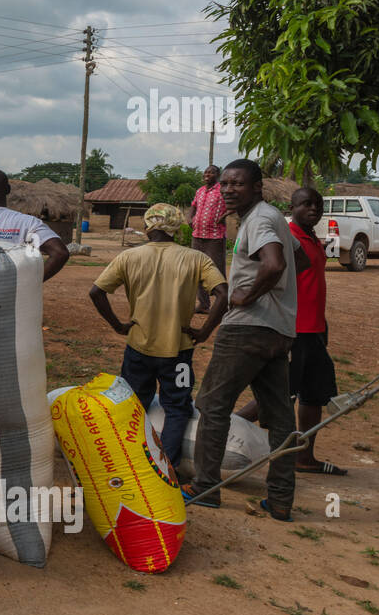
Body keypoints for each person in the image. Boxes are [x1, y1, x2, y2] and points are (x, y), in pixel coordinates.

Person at [180, 158, 303, 521]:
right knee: (279, 416)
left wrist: (246, 297)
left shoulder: (261, 218)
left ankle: (205, 488)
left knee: (212, 405)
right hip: (279, 331)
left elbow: (274, 264)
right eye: (226, 185)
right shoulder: (272, 218)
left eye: (238, 184)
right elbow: (299, 263)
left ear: (257, 188)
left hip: (249, 328)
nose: (230, 190)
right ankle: (281, 500)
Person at [88, 203, 228, 468]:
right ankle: (167, 467)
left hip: (137, 349)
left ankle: (131, 463)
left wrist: (118, 325)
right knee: (178, 407)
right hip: (179, 352)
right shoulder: (197, 258)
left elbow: (96, 292)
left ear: (147, 225)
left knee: (133, 406)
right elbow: (222, 294)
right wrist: (205, 330)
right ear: (177, 227)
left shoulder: (129, 257)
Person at [236, 188, 346, 476]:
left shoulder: (313, 239)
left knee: (314, 395)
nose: (313, 209)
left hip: (315, 330)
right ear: (291, 206)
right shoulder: (288, 237)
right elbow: (268, 274)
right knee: (278, 395)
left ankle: (304, 456)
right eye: (306, 204)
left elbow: (313, 285)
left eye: (318, 205)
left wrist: (323, 324)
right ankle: (223, 432)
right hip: (293, 330)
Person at [189, 165, 228, 313]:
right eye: (206, 172)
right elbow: (193, 206)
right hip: (197, 235)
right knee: (197, 269)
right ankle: (204, 304)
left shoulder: (223, 190)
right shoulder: (199, 191)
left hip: (215, 236)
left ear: (218, 175)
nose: (207, 174)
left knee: (217, 271)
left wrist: (223, 217)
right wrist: (189, 217)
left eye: (211, 172)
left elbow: (233, 206)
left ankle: (223, 304)